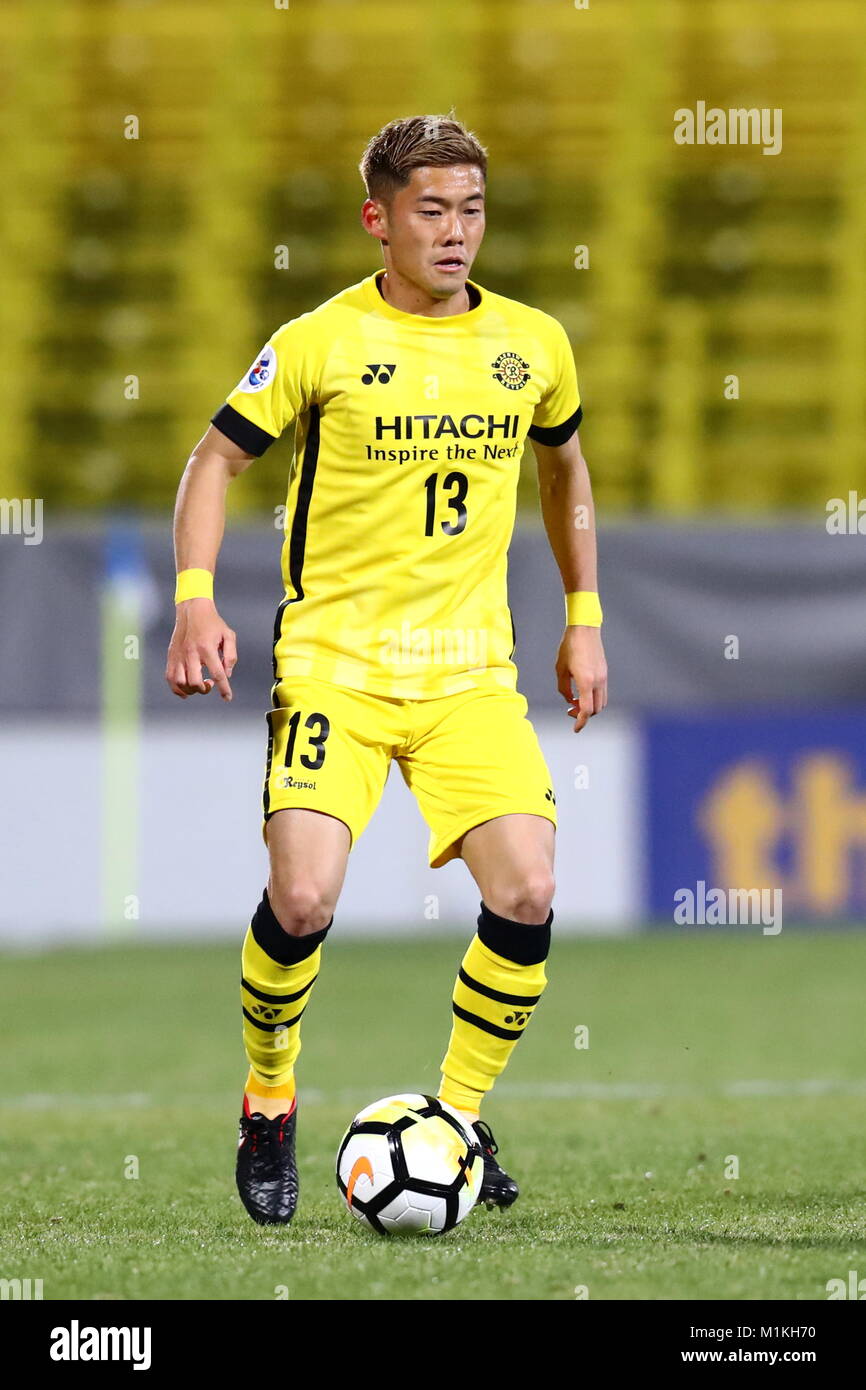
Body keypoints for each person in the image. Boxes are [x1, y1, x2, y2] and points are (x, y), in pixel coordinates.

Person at [165, 113, 607, 1225]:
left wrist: (582, 617)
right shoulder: (319, 340)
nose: (455, 233)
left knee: (528, 888)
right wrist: (193, 601)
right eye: (430, 211)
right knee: (303, 896)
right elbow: (214, 456)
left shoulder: (532, 343)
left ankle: (454, 1118)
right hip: (334, 665)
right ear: (378, 220)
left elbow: (565, 471)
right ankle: (268, 1101)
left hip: (469, 671)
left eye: (469, 210)